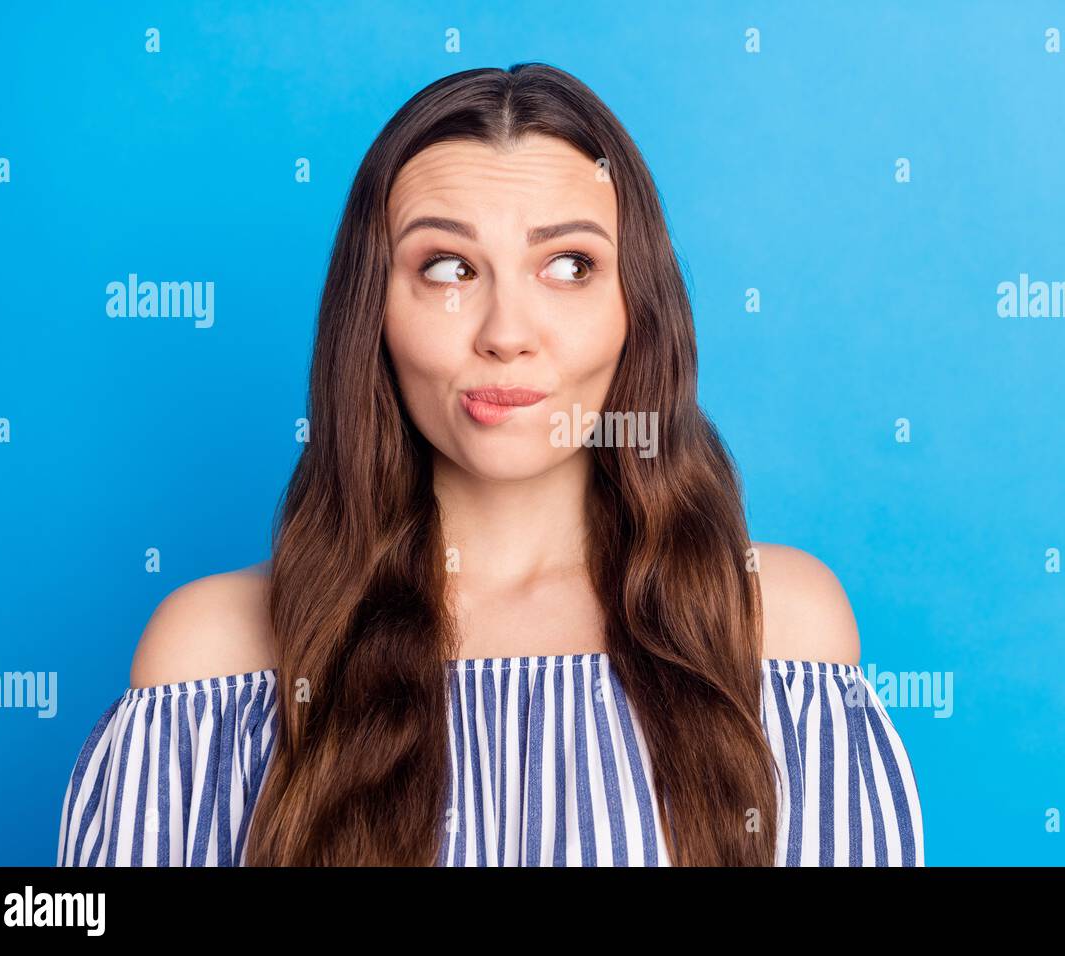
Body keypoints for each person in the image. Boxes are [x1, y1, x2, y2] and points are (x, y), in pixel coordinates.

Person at [57, 62, 924, 867]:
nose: (507, 332)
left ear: (638, 309)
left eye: (569, 265)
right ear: (375, 316)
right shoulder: (213, 657)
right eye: (447, 267)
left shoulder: (776, 629)